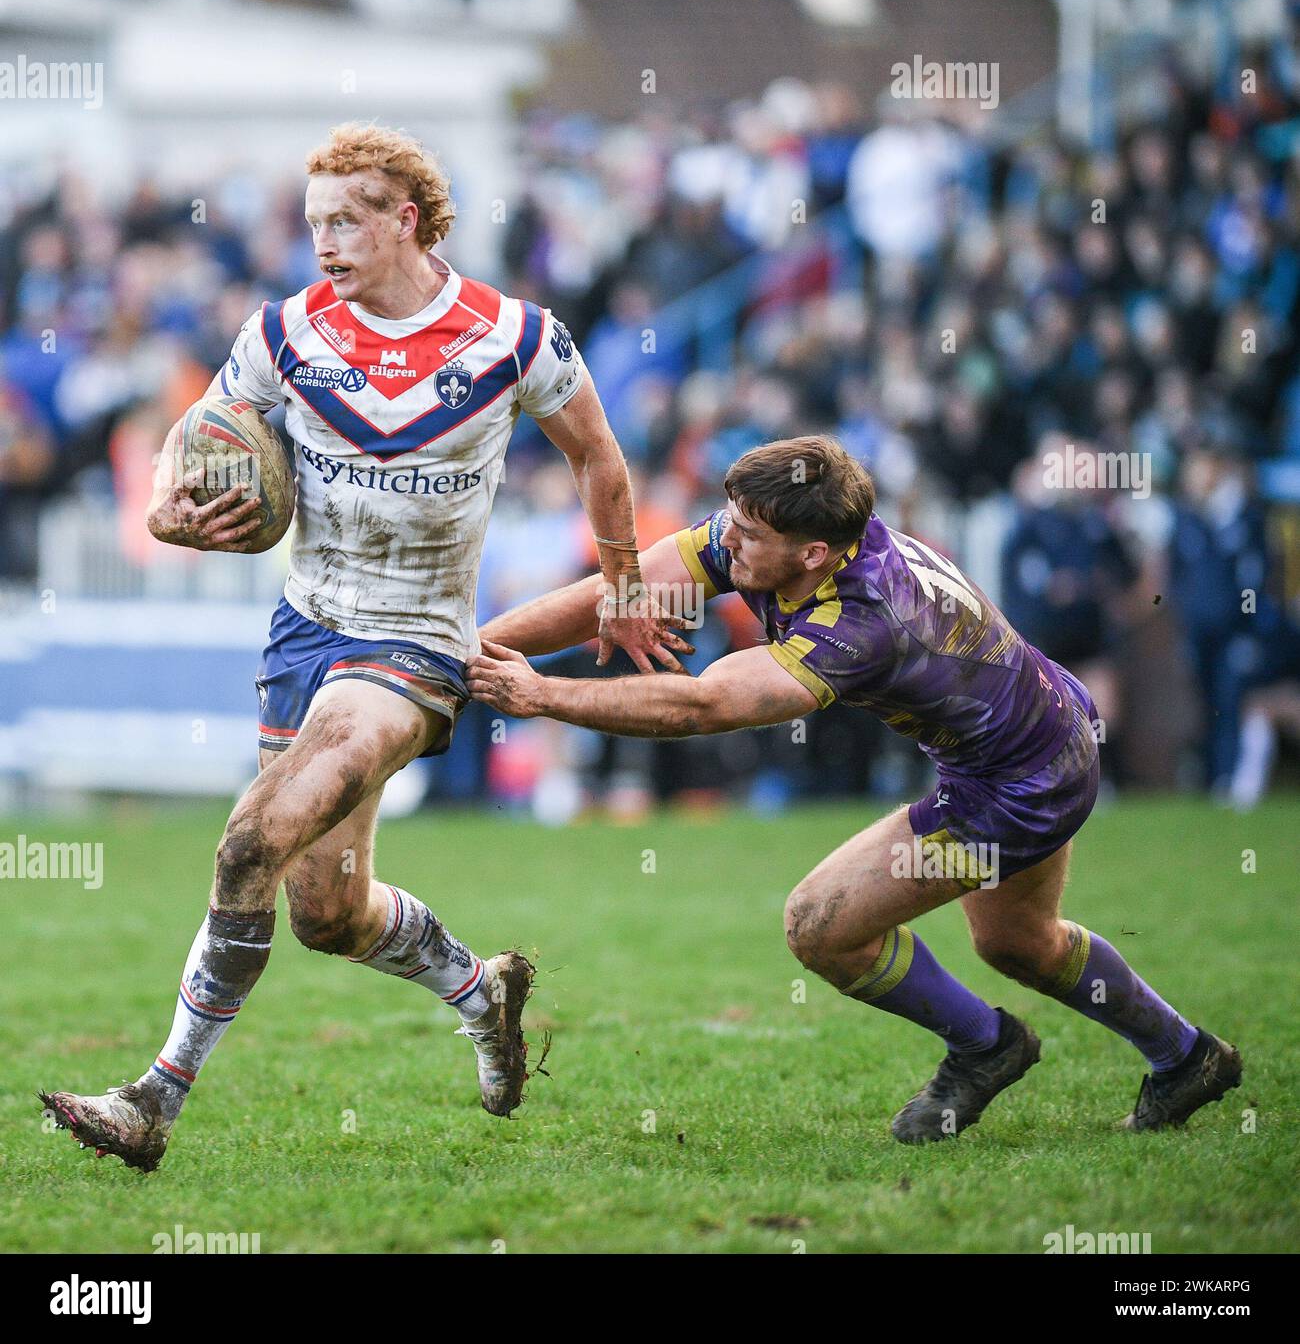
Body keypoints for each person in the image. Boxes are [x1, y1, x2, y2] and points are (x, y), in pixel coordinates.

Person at [40, 123, 684, 1171]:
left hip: (418, 641)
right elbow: (193, 432)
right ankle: (483, 990)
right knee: (325, 912)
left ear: (408, 220)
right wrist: (166, 509)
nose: (325, 243)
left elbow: (601, 460)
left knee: (250, 838)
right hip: (306, 628)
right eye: (313, 224)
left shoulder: (514, 337)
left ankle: (153, 1098)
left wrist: (619, 586)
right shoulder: (286, 332)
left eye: (346, 221)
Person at [469, 435, 1242, 1143]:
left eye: (747, 535)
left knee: (820, 924)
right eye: (731, 520)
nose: (725, 538)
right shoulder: (789, 526)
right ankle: (1188, 1058)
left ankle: (987, 1047)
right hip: (1039, 731)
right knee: (1018, 942)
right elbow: (624, 587)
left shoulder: (862, 624)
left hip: (1019, 785)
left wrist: (540, 696)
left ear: (811, 554)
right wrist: (475, 647)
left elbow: (701, 704)